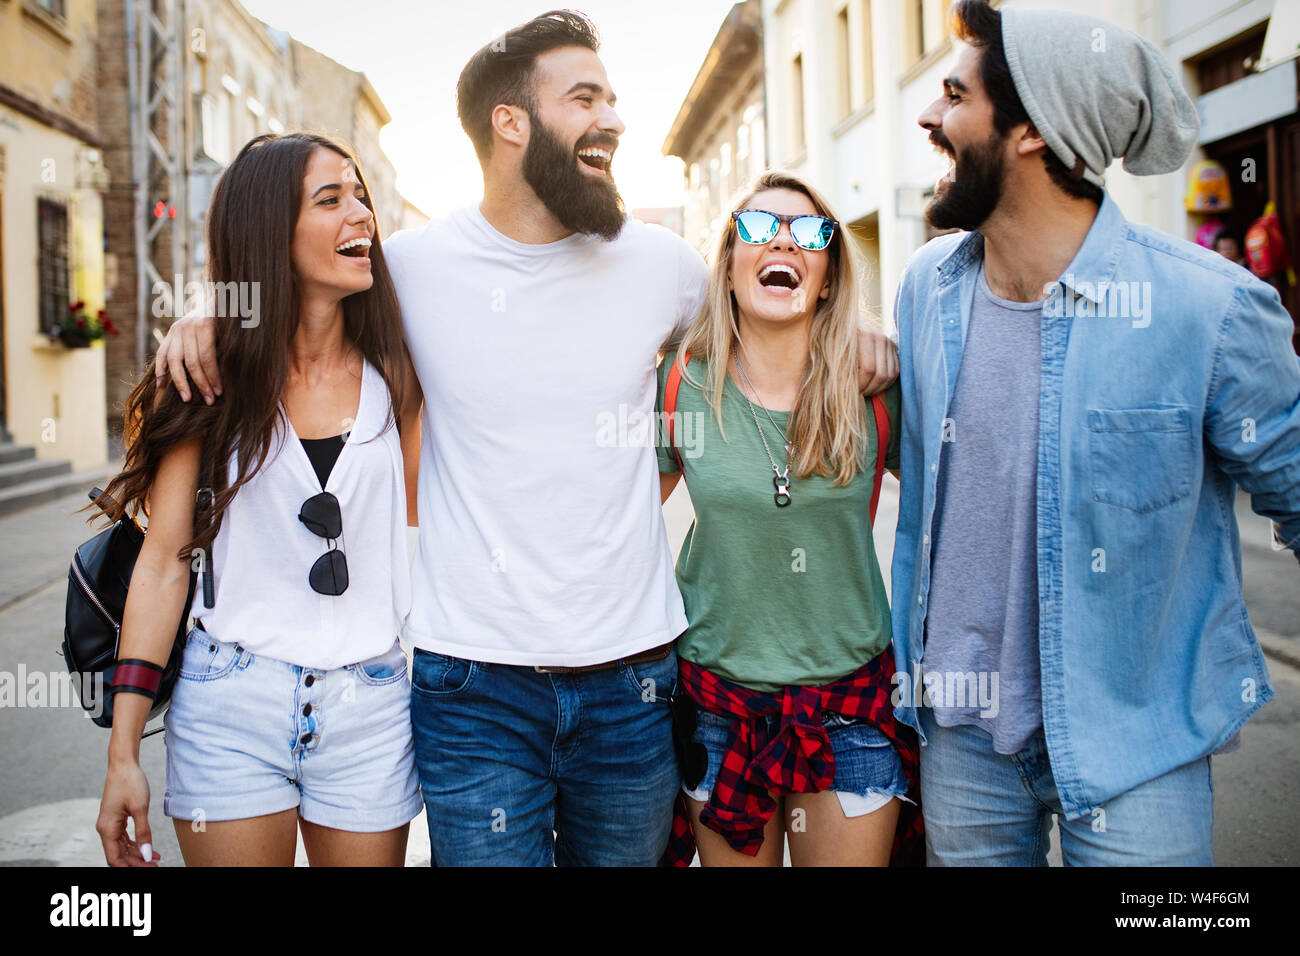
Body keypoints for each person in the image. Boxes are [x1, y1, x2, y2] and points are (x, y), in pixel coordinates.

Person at [151, 10, 898, 867]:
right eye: (585, 98)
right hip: (471, 688)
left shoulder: (662, 267)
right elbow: (298, 300)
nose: (613, 120)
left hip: (635, 680)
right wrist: (210, 317)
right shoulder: (410, 270)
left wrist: (866, 336)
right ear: (512, 122)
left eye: (613, 98)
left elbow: (772, 320)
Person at [891, 0, 1300, 866]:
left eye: (955, 95)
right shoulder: (928, 290)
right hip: (962, 738)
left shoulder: (1208, 309)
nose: (929, 116)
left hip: (1137, 742)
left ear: (1033, 131)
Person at [95, 132, 423, 867]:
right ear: (270, 229)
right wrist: (123, 755)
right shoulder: (211, 378)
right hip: (228, 703)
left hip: (368, 703)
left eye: (360, 195)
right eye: (331, 200)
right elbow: (162, 565)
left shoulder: (399, 372)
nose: (362, 215)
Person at [656, 171, 922, 866]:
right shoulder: (682, 381)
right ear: (730, 265)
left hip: (849, 705)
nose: (783, 242)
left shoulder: (877, 387)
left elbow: (961, 506)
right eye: (757, 227)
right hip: (719, 704)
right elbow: (620, 519)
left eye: (810, 233)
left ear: (829, 276)